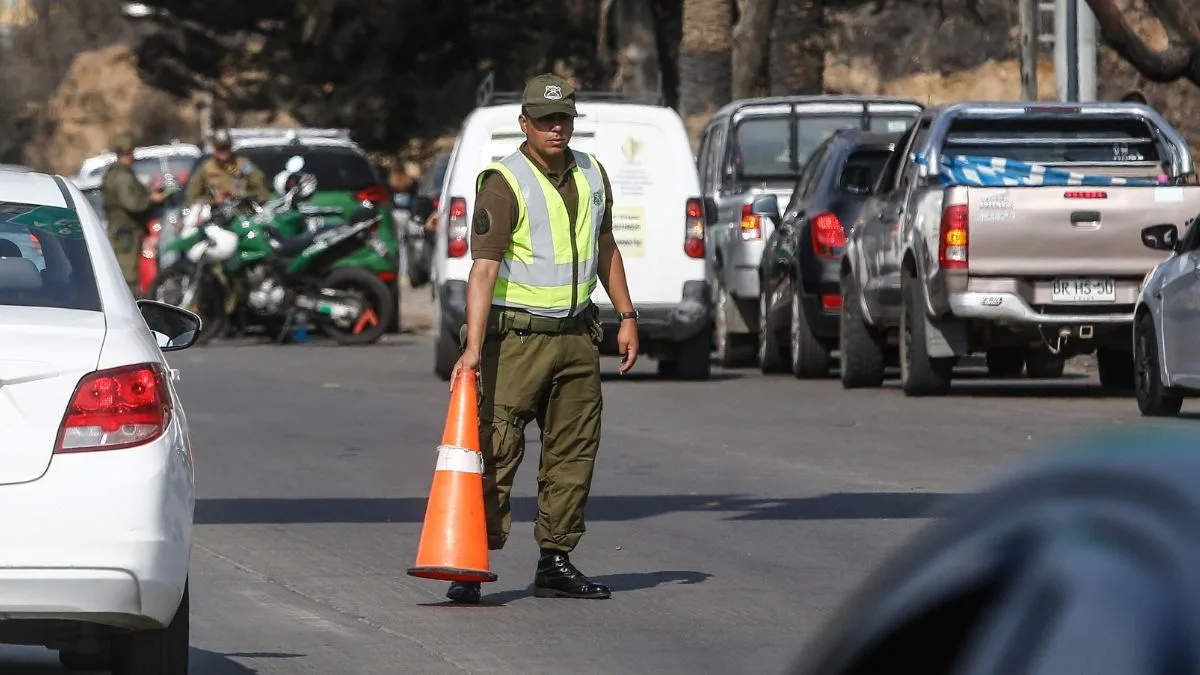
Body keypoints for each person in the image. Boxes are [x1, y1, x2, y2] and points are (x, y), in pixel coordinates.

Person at [445, 73, 639, 604]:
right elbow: (482, 271)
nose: (556, 128)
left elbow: (606, 248)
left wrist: (627, 314)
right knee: (496, 450)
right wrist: (473, 348)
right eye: (545, 119)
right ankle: (470, 562)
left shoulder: (593, 173)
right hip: (517, 340)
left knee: (574, 451)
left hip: (577, 337)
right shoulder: (504, 182)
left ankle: (556, 560)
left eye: (564, 118)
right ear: (524, 123)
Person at [100, 133, 167, 296]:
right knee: (128, 275)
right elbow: (132, 203)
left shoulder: (117, 173)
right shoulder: (122, 176)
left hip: (124, 230)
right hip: (126, 232)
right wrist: (152, 199)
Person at [186, 128, 270, 205]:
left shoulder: (244, 165)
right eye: (220, 148)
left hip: (243, 214)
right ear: (214, 148)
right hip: (217, 215)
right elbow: (192, 197)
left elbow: (261, 190)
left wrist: (243, 195)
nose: (223, 152)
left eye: (226, 148)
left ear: (230, 147)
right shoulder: (206, 168)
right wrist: (214, 200)